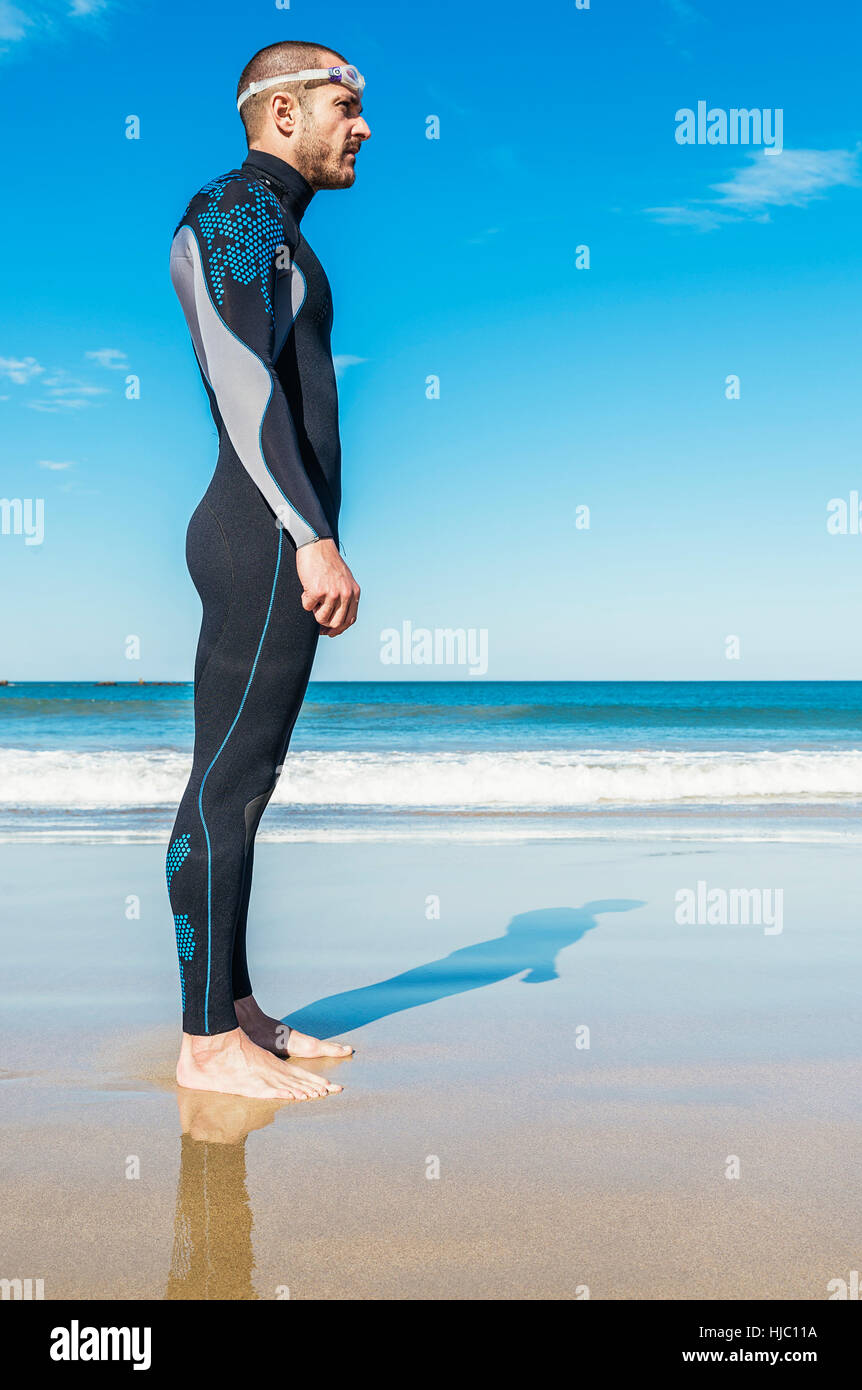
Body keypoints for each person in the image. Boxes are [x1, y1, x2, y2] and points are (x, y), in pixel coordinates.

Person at [166, 39, 370, 1100]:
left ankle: (235, 1009)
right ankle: (205, 1046)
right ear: (281, 112)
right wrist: (312, 533)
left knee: (245, 788)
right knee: (227, 786)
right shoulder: (238, 209)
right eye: (346, 103)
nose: (364, 125)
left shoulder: (277, 228)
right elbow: (246, 381)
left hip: (265, 528)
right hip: (258, 533)